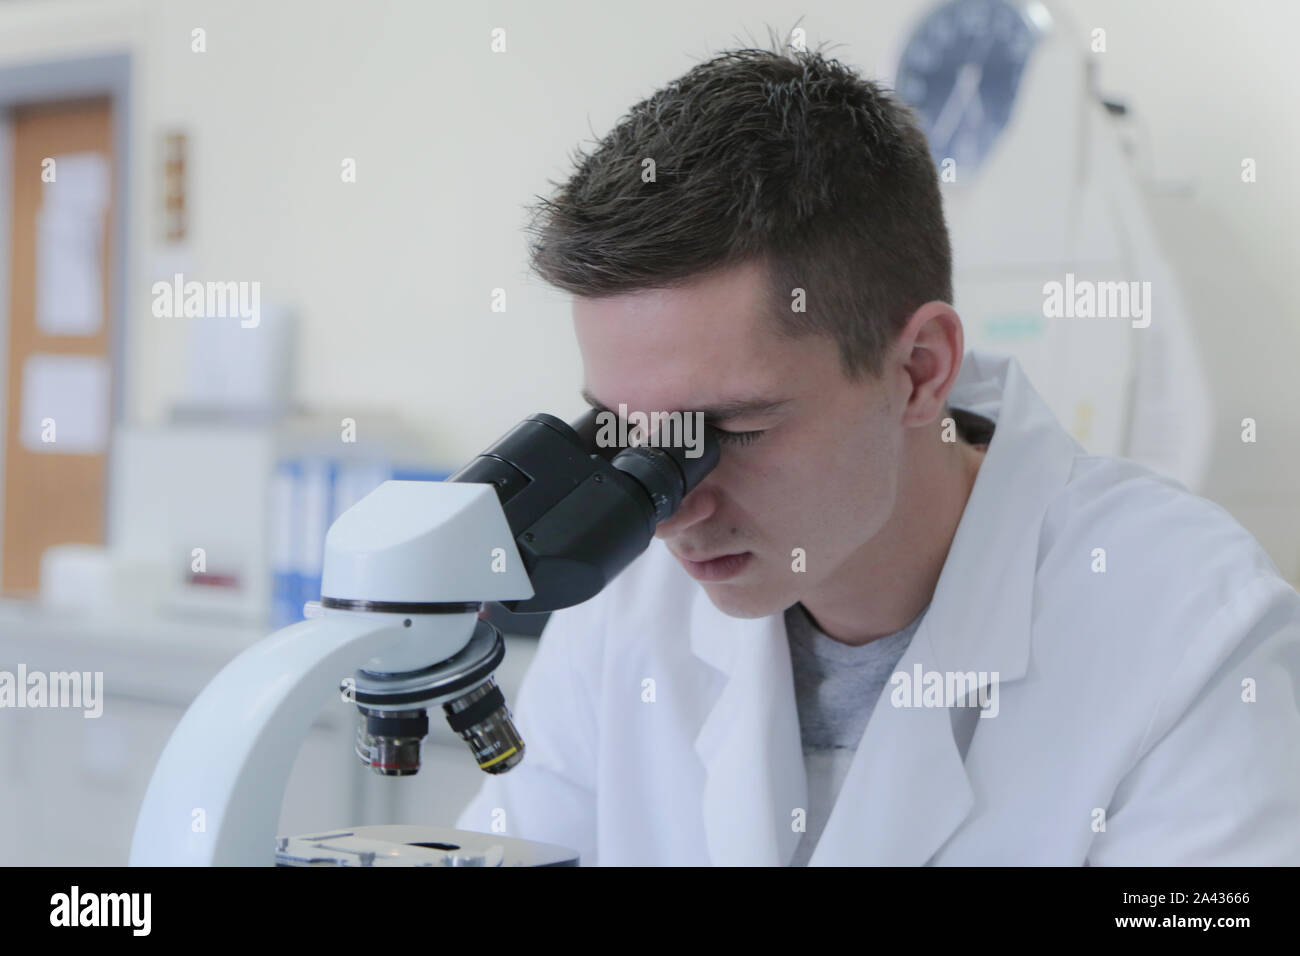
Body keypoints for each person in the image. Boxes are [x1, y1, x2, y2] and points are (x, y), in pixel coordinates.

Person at [456, 45, 1300, 865]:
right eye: (624, 434)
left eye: (732, 431)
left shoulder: (1192, 631)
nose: (673, 510)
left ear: (919, 370)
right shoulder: (626, 609)